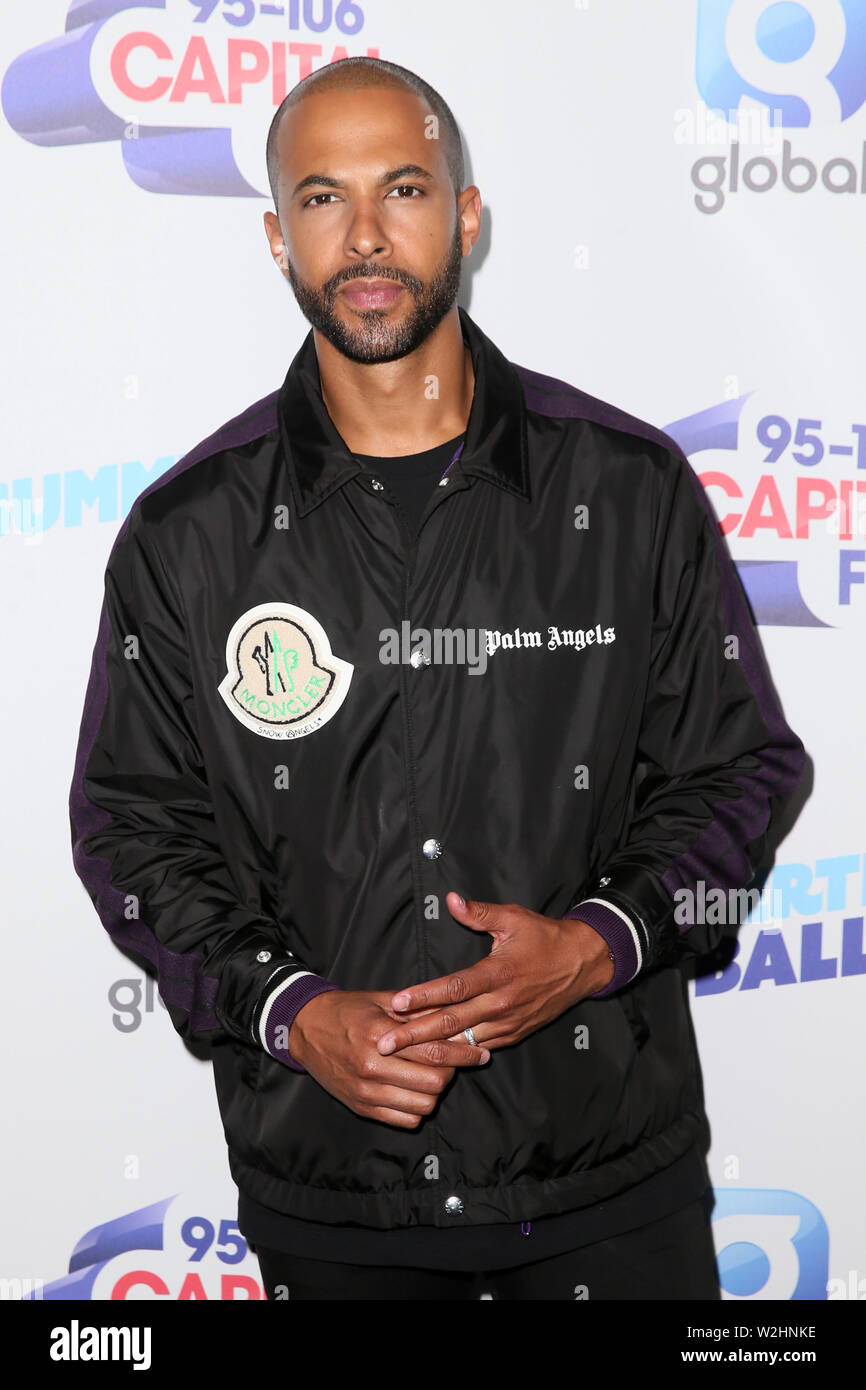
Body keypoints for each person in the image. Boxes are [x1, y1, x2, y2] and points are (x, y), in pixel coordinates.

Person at [69, 56, 806, 1302]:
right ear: (272, 236)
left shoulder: (623, 490)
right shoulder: (188, 532)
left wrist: (595, 944)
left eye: (402, 187)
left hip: (610, 1197)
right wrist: (293, 1011)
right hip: (332, 1206)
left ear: (466, 215)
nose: (364, 235)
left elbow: (737, 770)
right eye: (321, 197)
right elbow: (131, 829)